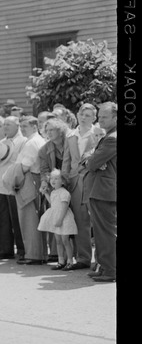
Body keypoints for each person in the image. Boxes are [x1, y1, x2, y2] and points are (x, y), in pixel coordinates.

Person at [61, 103, 102, 271]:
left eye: (88, 115)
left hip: (94, 180)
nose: (83, 117)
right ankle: (84, 258)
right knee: (81, 221)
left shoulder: (99, 133)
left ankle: (100, 259)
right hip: (75, 181)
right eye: (81, 114)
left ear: (94, 118)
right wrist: (65, 178)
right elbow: (66, 160)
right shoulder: (71, 135)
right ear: (77, 115)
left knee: (98, 221)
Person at [83, 102, 117, 282]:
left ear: (115, 117)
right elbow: (90, 160)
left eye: (104, 117)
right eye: (100, 116)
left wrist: (91, 160)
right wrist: (92, 159)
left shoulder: (112, 138)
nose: (99, 120)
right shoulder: (108, 136)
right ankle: (104, 266)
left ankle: (110, 270)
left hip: (104, 191)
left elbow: (92, 162)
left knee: (105, 232)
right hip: (101, 189)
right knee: (101, 231)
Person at [0, 116, 26, 260]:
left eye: (9, 125)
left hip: (13, 184)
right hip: (0, 185)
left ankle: (22, 249)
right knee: (2, 218)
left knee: (17, 219)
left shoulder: (23, 141)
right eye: (4, 125)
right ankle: (5, 248)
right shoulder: (2, 141)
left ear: (17, 126)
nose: (5, 127)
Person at [14, 115, 47, 265]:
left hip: (29, 179)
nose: (22, 129)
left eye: (25, 126)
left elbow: (25, 166)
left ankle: (34, 255)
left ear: (35, 127)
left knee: (29, 219)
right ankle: (37, 254)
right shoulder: (35, 140)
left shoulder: (32, 142)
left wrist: (13, 178)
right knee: (34, 218)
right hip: (33, 179)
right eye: (21, 126)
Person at [36, 117, 69, 260]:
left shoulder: (70, 142)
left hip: (72, 183)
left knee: (73, 220)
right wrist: (45, 182)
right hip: (56, 186)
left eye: (52, 130)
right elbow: (44, 170)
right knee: (58, 219)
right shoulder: (44, 149)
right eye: (46, 130)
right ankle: (58, 256)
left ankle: (78, 256)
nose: (48, 133)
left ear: (60, 130)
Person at [38, 169, 77, 270]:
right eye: (51, 179)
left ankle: (70, 261)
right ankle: (61, 261)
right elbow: (52, 203)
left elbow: (64, 208)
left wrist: (60, 219)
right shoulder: (54, 192)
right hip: (57, 218)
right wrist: (46, 193)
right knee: (58, 241)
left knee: (65, 240)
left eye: (56, 178)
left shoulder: (64, 193)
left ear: (63, 181)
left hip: (64, 219)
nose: (53, 181)